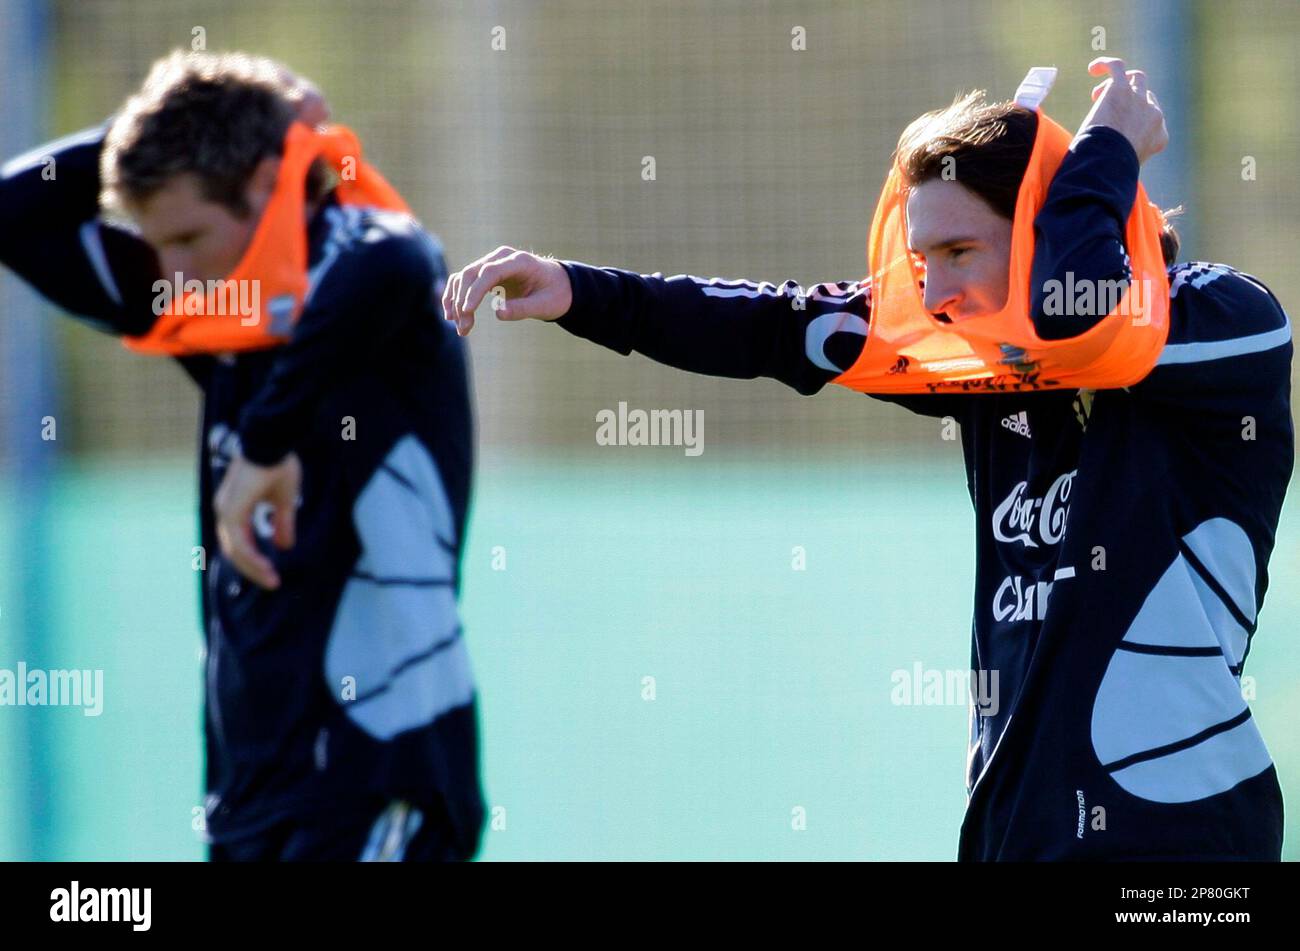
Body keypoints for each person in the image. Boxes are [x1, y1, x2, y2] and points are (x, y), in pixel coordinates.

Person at [441, 58, 1294, 860]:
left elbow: (1078, 319)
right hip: (1015, 833)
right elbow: (779, 326)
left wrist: (1102, 153)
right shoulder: (984, 361)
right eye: (921, 263)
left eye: (959, 252)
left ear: (1051, 219)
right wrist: (581, 291)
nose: (933, 296)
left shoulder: (1229, 321)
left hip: (1181, 837)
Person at [0, 49, 486, 861]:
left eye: (190, 235)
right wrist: (162, 130)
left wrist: (265, 443)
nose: (174, 270)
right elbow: (15, 213)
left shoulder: (372, 271)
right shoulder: (214, 306)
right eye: (161, 245)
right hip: (250, 799)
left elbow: (397, 259)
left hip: (383, 777)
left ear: (267, 185)